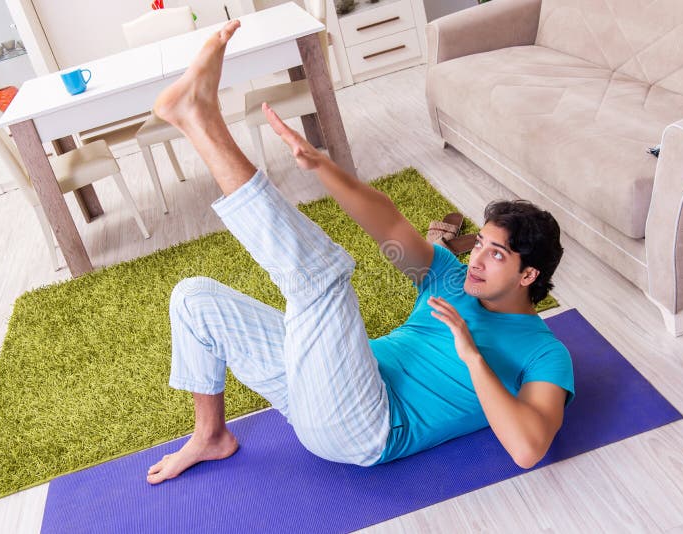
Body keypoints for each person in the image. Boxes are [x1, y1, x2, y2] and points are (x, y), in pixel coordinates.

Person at [146, 20, 574, 485]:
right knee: (194, 299)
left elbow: (529, 449)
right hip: (331, 387)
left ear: (529, 275)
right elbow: (388, 222)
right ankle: (210, 436)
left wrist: (472, 356)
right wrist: (323, 167)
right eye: (481, 245)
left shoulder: (546, 354)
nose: (476, 259)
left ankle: (200, 119)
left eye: (496, 255)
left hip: (368, 427)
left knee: (323, 277)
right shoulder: (451, 278)